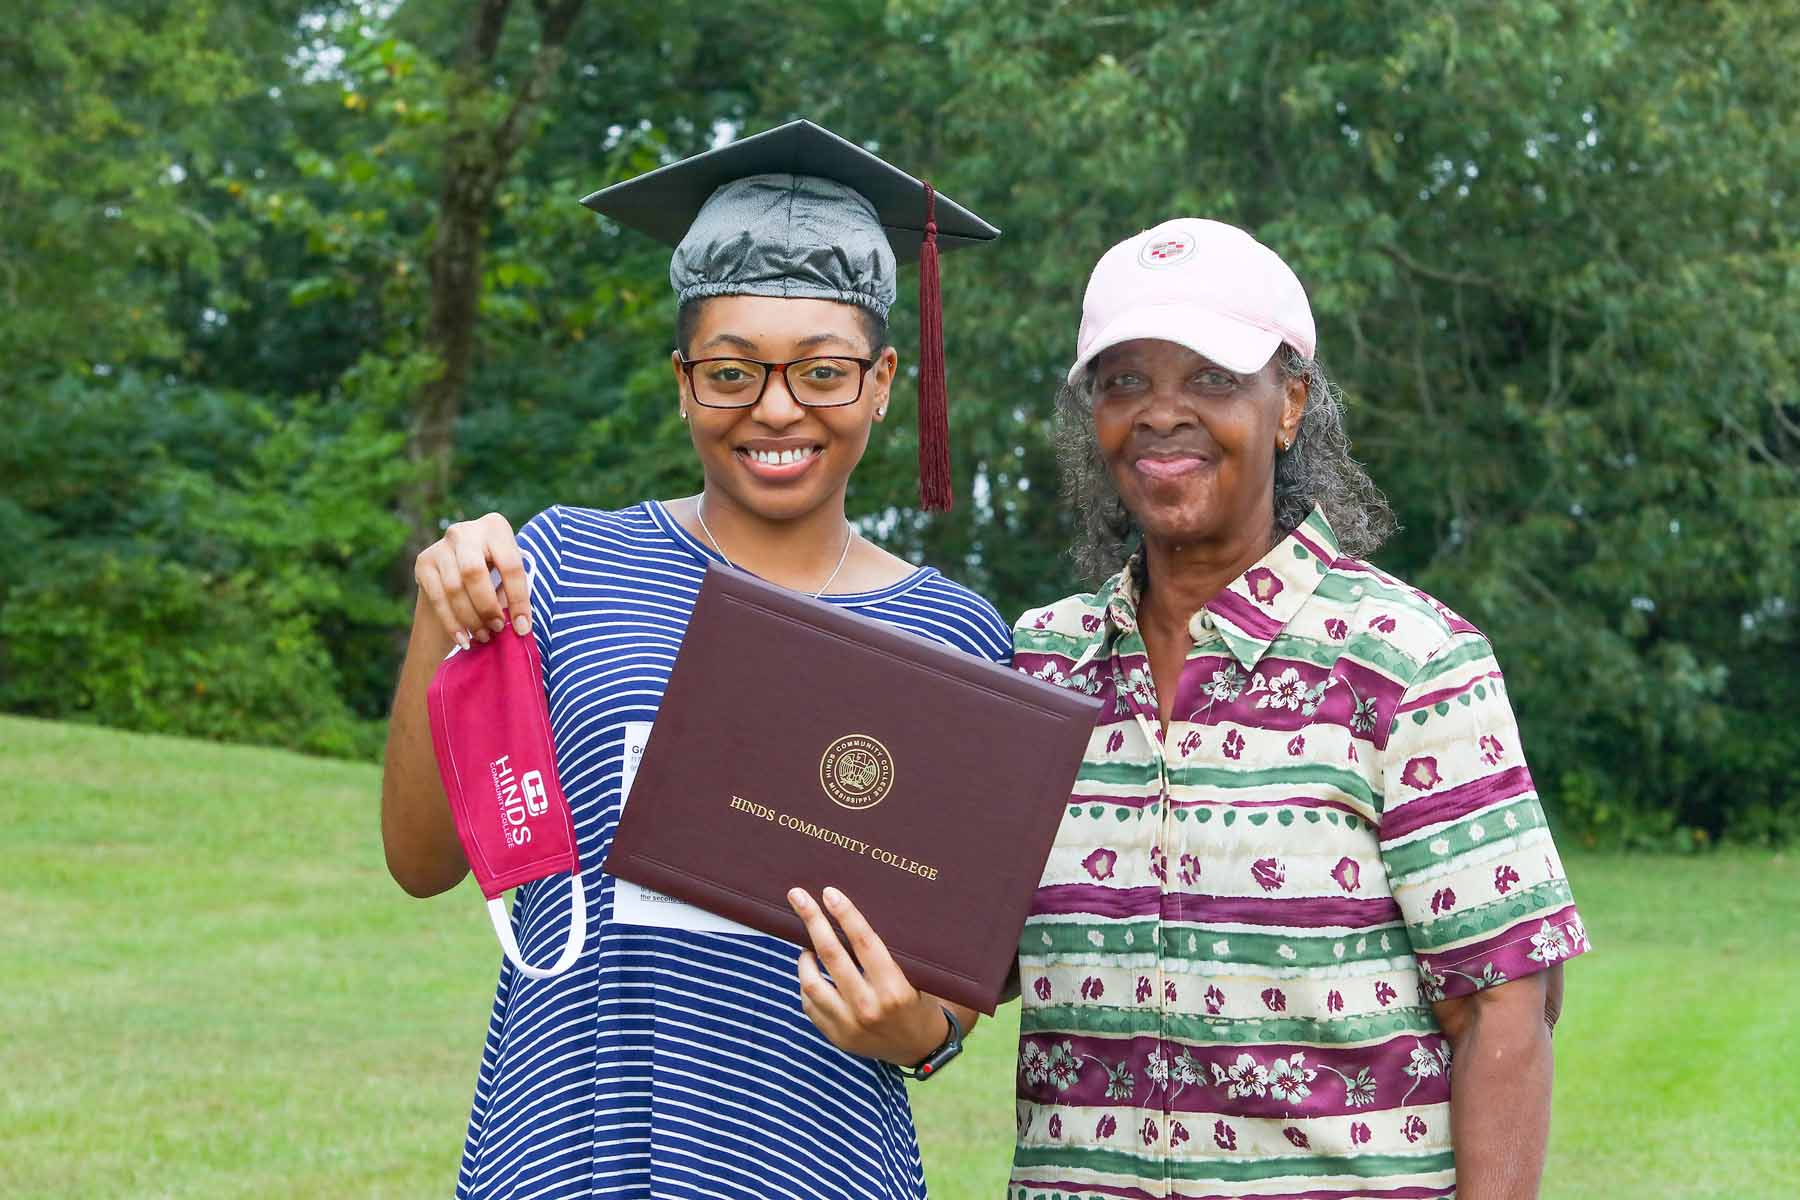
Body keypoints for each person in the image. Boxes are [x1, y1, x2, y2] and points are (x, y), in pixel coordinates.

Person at [379, 120, 1009, 1199]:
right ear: (682, 381)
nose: (775, 409)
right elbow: (424, 862)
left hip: (818, 1161)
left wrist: (918, 1030)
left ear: (884, 378)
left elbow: (957, 981)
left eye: (822, 372)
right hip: (565, 1151)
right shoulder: (564, 566)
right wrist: (446, 613)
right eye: (730, 372)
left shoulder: (954, 637)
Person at [1009, 218, 1588, 1200]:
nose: (1160, 413)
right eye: (1124, 381)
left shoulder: (1408, 664)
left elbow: (1503, 1006)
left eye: (1212, 378)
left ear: (1291, 405)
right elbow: (957, 963)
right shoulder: (1041, 667)